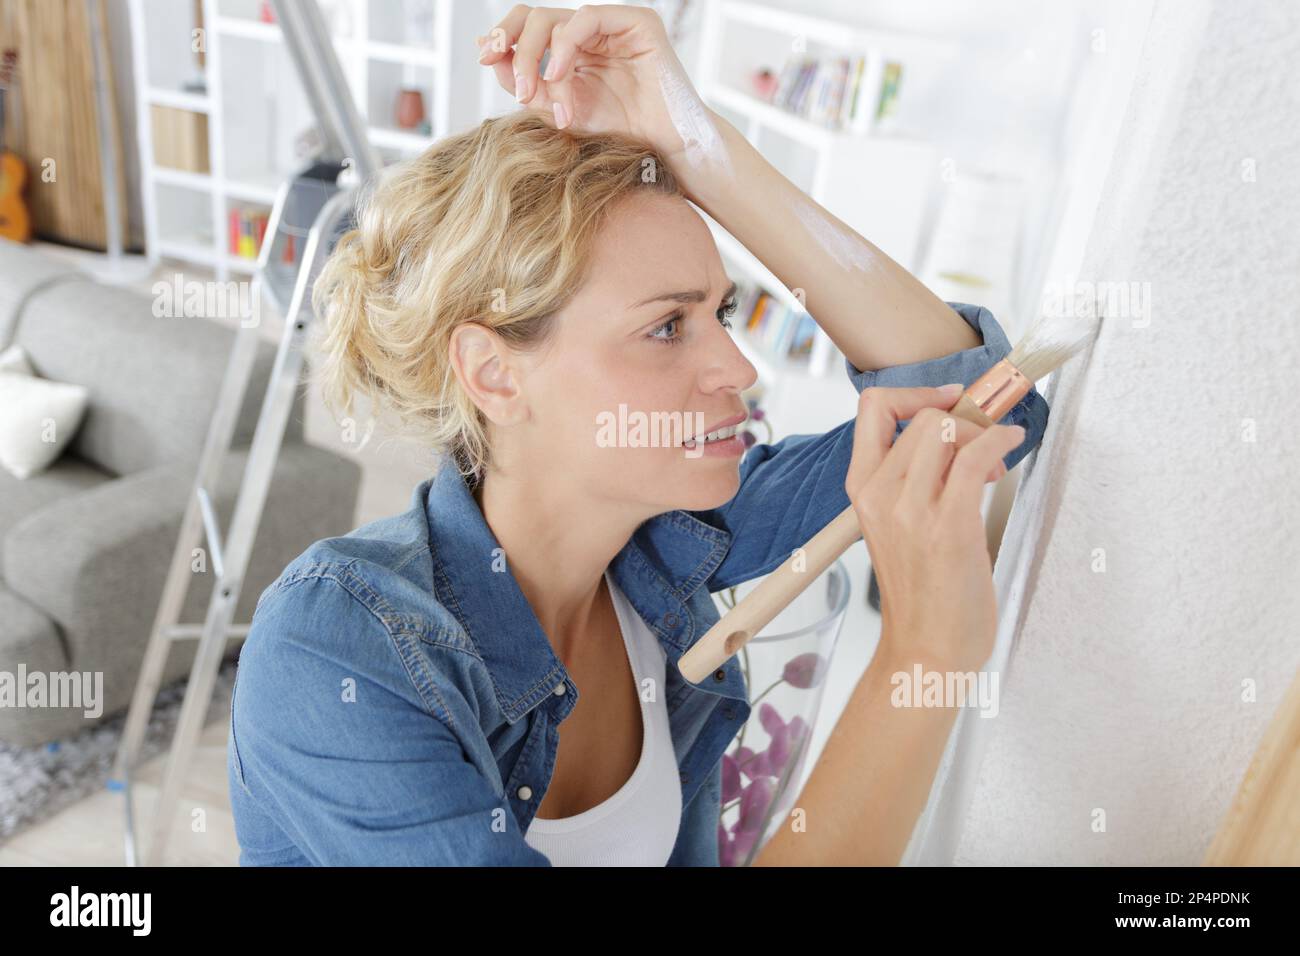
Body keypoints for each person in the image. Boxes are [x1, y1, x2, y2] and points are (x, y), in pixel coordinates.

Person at [227, 4, 1048, 866]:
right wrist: (922, 657)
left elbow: (983, 406)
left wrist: (694, 146)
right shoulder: (338, 648)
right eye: (667, 327)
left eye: (720, 312)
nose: (738, 368)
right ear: (495, 374)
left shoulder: (663, 544)